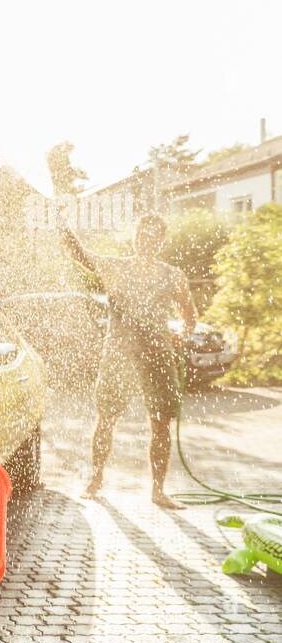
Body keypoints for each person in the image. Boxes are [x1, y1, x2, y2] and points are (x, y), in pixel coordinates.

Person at [60, 214, 197, 508]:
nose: (145, 241)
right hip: (119, 352)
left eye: (152, 237)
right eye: (141, 235)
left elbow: (190, 314)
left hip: (158, 354)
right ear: (135, 237)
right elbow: (80, 254)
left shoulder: (173, 275)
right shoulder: (116, 267)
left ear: (160, 241)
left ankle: (158, 491)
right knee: (107, 417)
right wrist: (64, 228)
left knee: (160, 423)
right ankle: (95, 481)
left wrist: (183, 333)